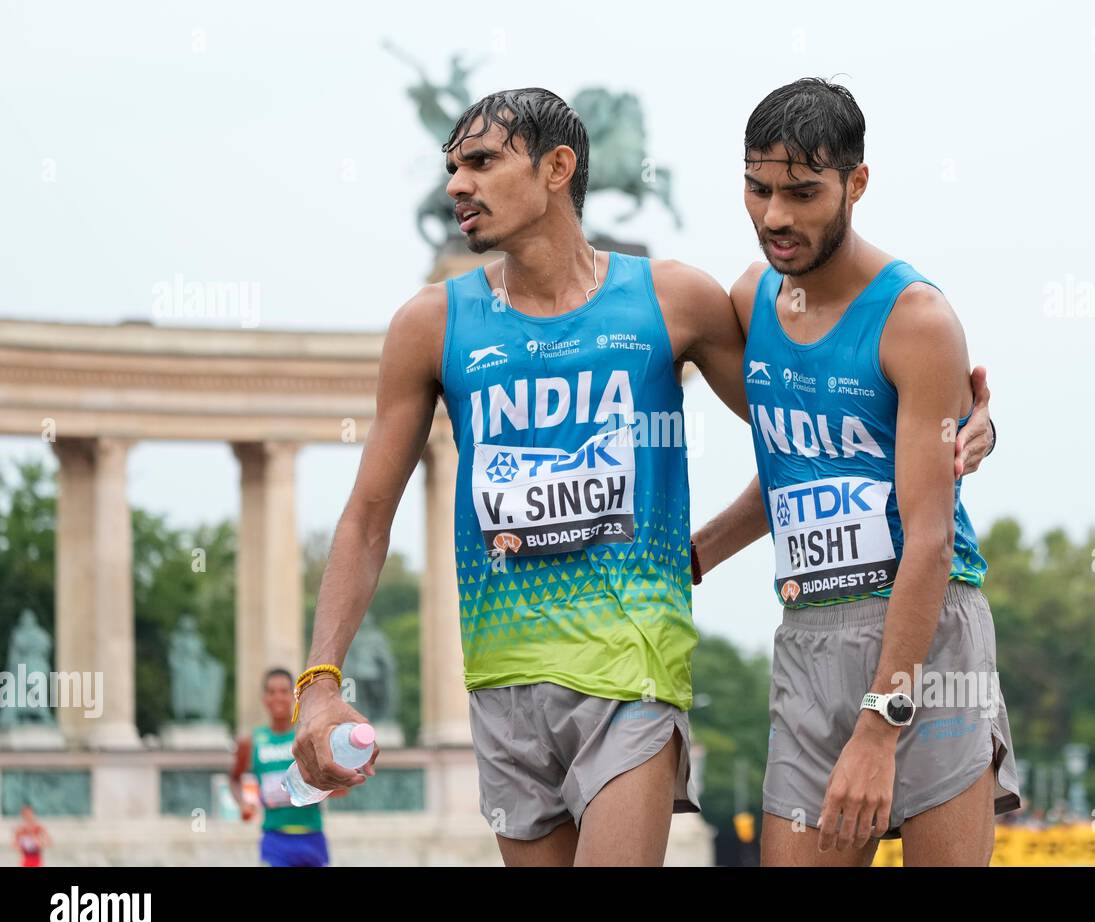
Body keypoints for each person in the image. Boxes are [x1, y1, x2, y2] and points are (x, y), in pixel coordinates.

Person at [293, 86, 995, 867]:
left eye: (483, 162)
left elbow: (850, 448)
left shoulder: (682, 301)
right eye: (757, 191)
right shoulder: (436, 323)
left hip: (676, 665)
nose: (457, 183)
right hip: (524, 672)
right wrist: (319, 679)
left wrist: (962, 428)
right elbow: (365, 517)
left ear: (558, 167)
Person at [693, 78, 1020, 866]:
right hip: (809, 637)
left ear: (857, 183)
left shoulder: (916, 320)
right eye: (757, 188)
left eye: (803, 192)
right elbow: (795, 467)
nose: (776, 216)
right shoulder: (751, 298)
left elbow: (932, 541)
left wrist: (880, 723)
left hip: (928, 635)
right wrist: (692, 558)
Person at [231, 668, 333, 866]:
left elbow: (334, 783)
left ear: (294, 696)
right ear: (264, 698)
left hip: (312, 836)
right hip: (274, 839)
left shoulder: (308, 737)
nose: (278, 697)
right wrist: (243, 803)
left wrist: (334, 787)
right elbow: (235, 777)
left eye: (284, 691)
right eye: (271, 692)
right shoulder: (251, 741)